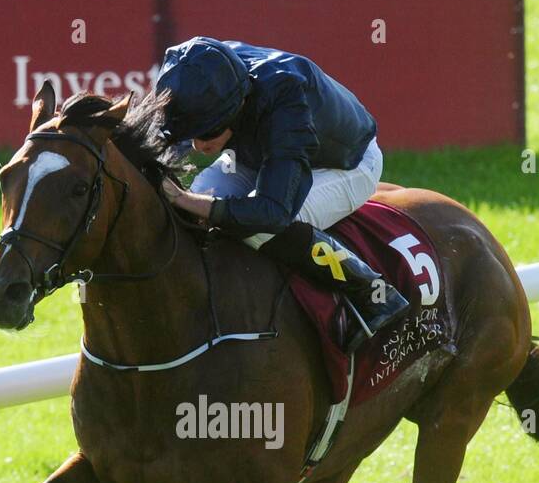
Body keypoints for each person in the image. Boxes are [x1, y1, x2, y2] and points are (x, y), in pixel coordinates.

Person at [155, 37, 410, 351]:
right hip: (262, 153)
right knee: (198, 202)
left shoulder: (286, 99)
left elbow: (273, 212)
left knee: (256, 228)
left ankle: (375, 293)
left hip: (344, 164)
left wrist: (183, 199)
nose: (197, 146)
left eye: (206, 131)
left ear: (236, 108)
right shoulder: (205, 70)